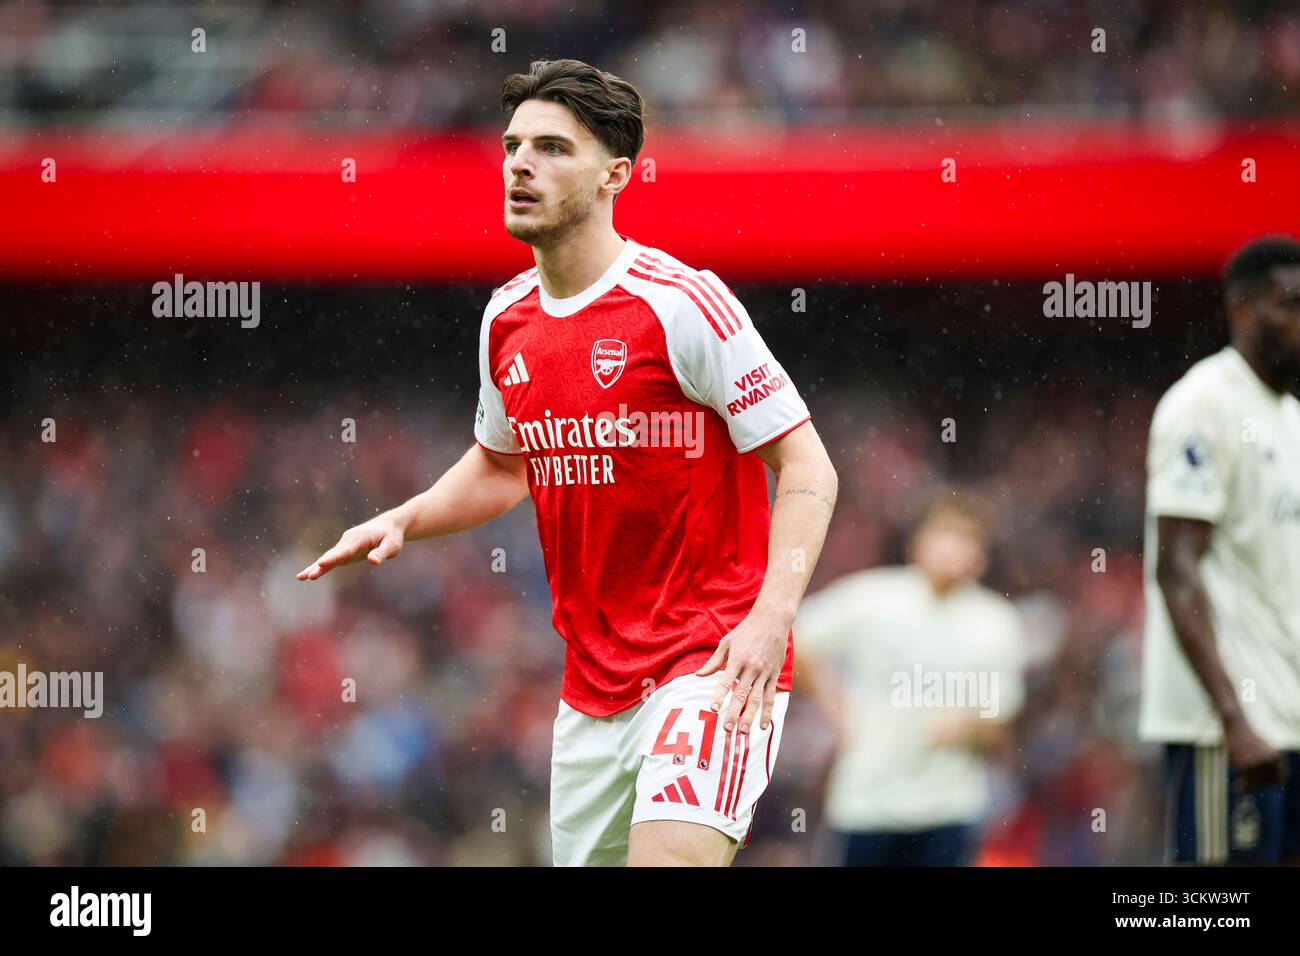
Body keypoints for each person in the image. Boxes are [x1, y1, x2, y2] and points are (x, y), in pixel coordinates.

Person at [297, 59, 838, 866]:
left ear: (615, 174)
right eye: (514, 146)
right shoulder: (507, 318)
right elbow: (503, 465)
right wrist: (408, 514)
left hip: (712, 659)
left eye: (552, 148)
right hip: (591, 692)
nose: (520, 163)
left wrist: (769, 621)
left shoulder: (681, 302)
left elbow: (808, 469)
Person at [1140, 235, 1300, 865]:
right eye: (1290, 305)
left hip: (1286, 718)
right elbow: (1176, 570)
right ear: (1242, 311)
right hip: (1226, 730)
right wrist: (1234, 718)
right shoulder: (1203, 404)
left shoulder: (1291, 416)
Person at [794, 493, 1025, 866]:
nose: (952, 548)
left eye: (965, 537)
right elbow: (798, 638)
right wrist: (836, 709)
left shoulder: (995, 623)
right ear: (917, 543)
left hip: (948, 806)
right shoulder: (873, 599)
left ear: (980, 556)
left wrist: (969, 726)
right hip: (867, 800)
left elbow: (1002, 720)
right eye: (944, 533)